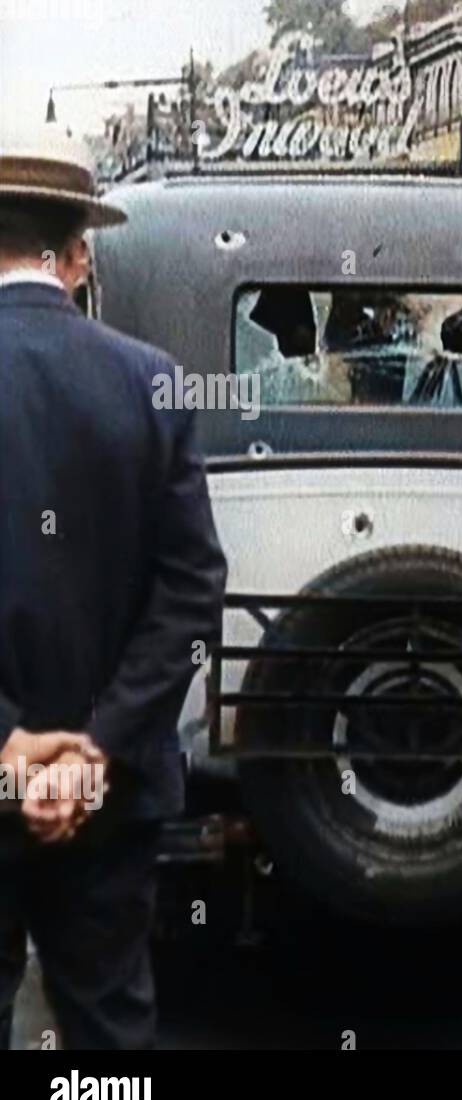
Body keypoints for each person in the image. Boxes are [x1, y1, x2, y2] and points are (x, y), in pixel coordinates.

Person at [0, 125, 227, 1049]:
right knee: (106, 1028)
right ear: (80, 252)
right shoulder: (155, 385)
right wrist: (96, 750)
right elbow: (192, 588)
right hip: (116, 794)